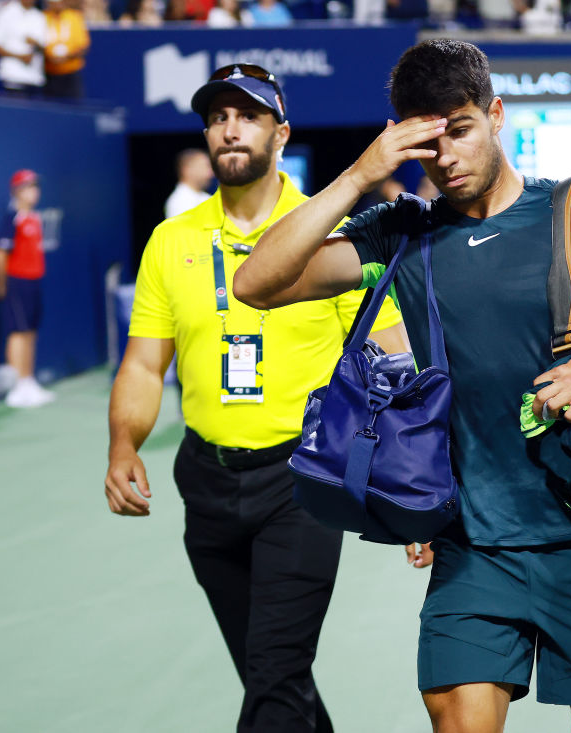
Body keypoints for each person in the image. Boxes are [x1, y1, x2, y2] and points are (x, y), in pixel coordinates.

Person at [232, 40, 571, 733]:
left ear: (496, 114)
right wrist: (359, 175)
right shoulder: (401, 232)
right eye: (427, 141)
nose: (446, 156)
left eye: (461, 129)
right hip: (470, 549)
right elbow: (256, 283)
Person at [104, 63, 407, 733]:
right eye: (216, 117)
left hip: (300, 480)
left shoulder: (336, 235)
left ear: (281, 132)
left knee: (273, 671)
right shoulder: (171, 241)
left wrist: (413, 488)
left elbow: (393, 362)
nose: (229, 129)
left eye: (247, 115)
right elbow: (145, 364)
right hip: (204, 480)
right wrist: (123, 442)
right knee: (271, 672)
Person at [0, 169, 56, 409]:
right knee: (18, 332)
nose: (35, 192)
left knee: (30, 331)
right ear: (18, 191)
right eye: (30, 187)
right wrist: (2, 284)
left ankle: (28, 381)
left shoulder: (34, 218)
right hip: (16, 282)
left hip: (34, 281)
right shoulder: (12, 218)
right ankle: (16, 386)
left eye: (36, 187)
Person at [0, 0, 47, 97]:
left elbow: (46, 46)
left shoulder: (39, 16)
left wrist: (36, 44)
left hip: (35, 78)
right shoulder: (5, 13)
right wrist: (19, 57)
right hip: (12, 76)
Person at [43, 0, 90, 100]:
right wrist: (50, 57)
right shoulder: (43, 18)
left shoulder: (74, 17)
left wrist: (66, 57)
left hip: (71, 73)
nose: (57, 5)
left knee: (74, 108)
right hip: (49, 73)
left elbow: (82, 46)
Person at [164, 149, 214, 219]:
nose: (211, 173)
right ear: (187, 169)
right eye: (205, 167)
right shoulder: (180, 202)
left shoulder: (205, 197)